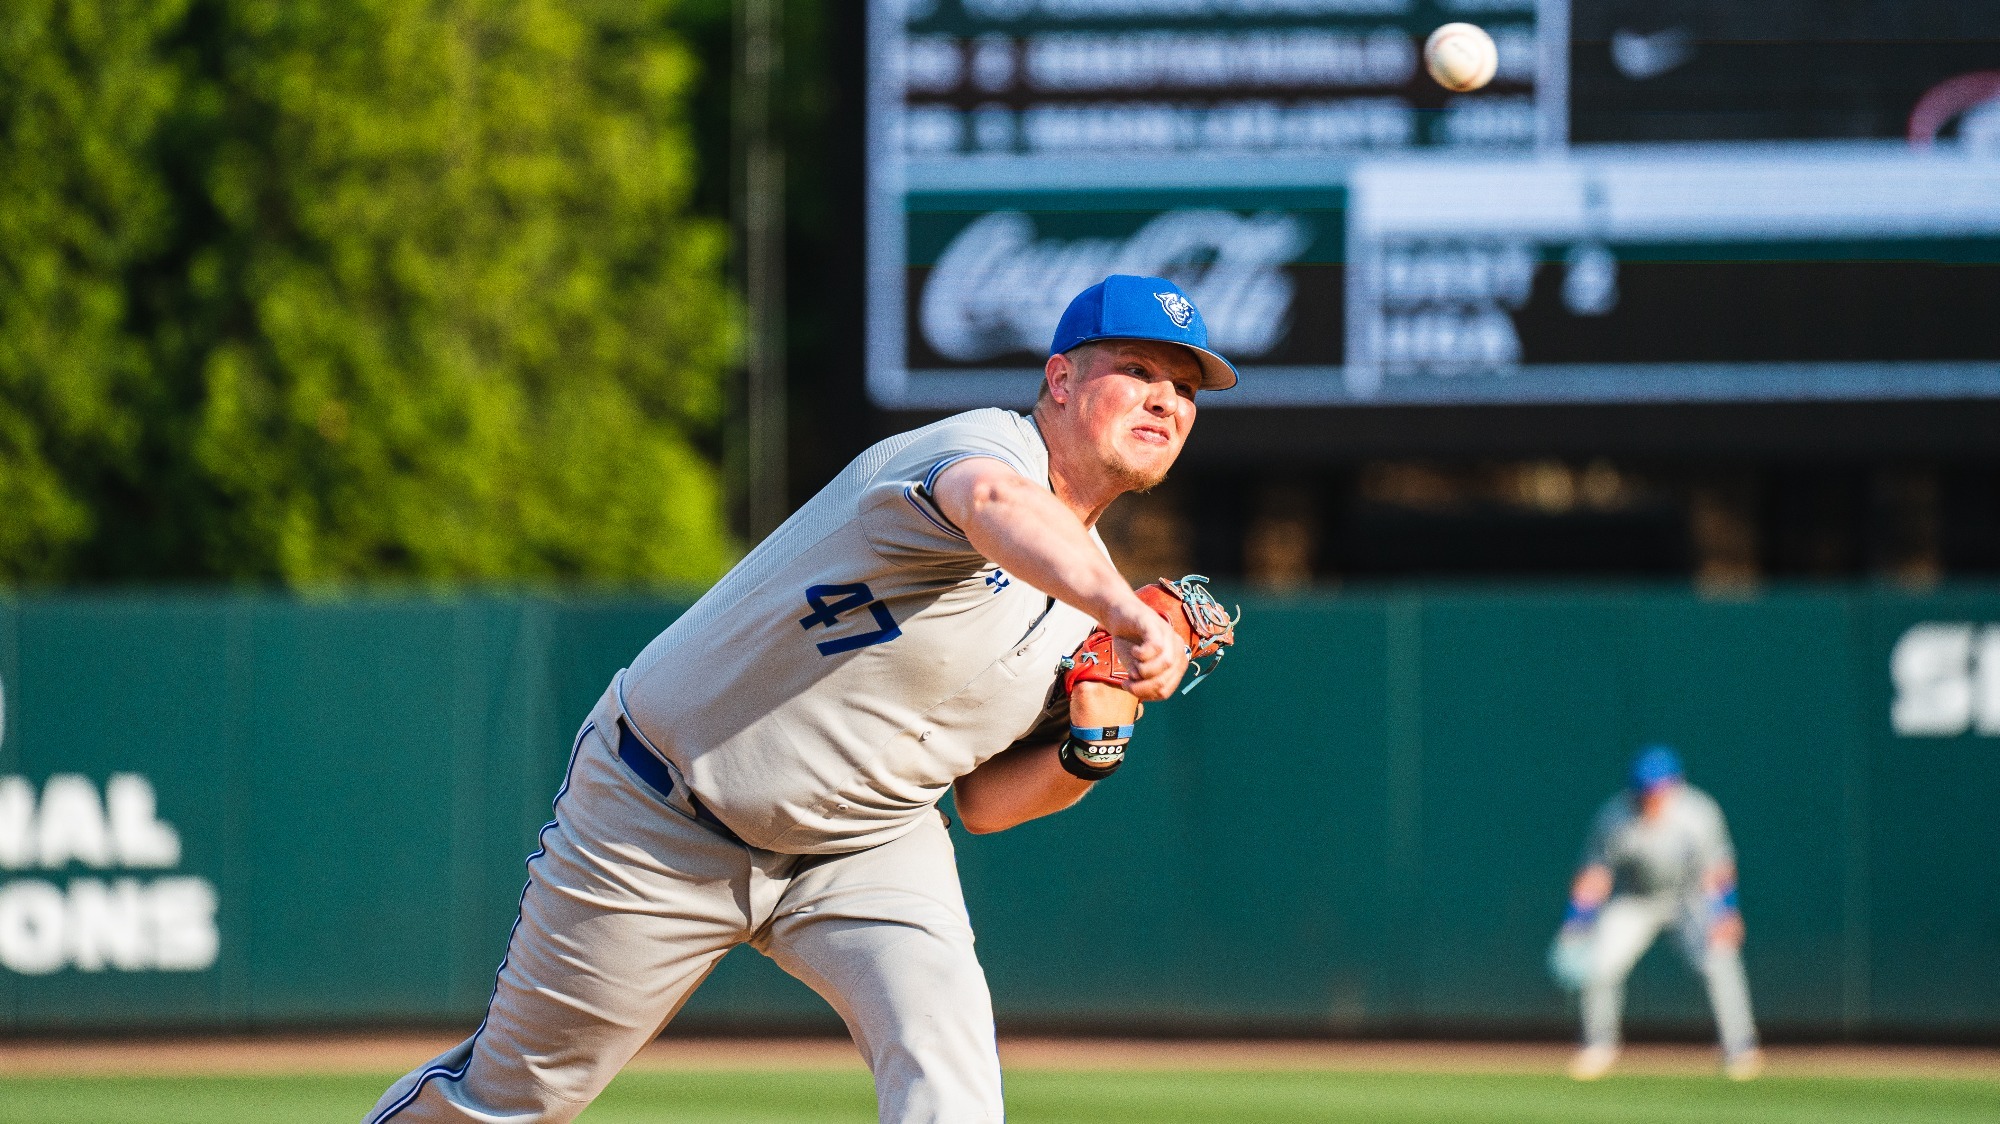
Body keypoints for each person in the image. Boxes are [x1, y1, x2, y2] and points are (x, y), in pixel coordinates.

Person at [362, 274, 1238, 1123]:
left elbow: (985, 804)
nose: (1165, 401)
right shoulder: (981, 450)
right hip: (663, 816)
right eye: (1138, 370)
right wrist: (1124, 612)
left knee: (949, 1070)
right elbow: (993, 504)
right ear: (1061, 378)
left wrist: (1092, 747)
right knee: (510, 1103)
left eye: (1185, 388)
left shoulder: (1082, 603)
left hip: (869, 845)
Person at [1558, 745, 1763, 1081]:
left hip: (1689, 899)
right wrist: (1577, 922)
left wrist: (1725, 913)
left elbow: (1717, 870)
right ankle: (1598, 1044)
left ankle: (1739, 1046)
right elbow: (1595, 874)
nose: (1651, 796)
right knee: (1599, 961)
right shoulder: (1615, 816)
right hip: (1636, 899)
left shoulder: (1698, 813)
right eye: (1645, 789)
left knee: (1721, 955)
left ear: (1674, 784)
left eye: (1657, 788)